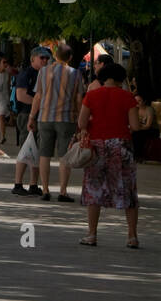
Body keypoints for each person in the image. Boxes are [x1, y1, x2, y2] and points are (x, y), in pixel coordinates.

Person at [77, 62, 140, 247]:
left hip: (97, 146)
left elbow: (81, 122)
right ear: (120, 79)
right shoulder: (128, 97)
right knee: (128, 190)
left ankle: (92, 234)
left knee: (94, 189)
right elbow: (135, 126)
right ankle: (132, 236)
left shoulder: (91, 95)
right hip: (122, 146)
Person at [27, 43, 83, 201]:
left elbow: (38, 96)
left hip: (44, 118)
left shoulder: (43, 72)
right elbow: (79, 99)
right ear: (70, 57)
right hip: (67, 119)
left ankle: (45, 190)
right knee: (65, 156)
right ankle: (63, 191)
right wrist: (80, 120)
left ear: (55, 56)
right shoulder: (75, 74)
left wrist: (32, 116)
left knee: (44, 154)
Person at [12, 47, 51, 196]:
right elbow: (21, 96)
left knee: (37, 152)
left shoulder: (45, 74)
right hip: (26, 115)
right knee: (25, 149)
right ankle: (18, 183)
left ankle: (33, 184)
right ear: (33, 58)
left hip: (39, 116)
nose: (45, 61)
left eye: (47, 58)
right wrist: (40, 106)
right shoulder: (26, 74)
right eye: (42, 58)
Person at [132, 95, 160, 162]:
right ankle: (133, 154)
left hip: (152, 130)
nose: (137, 102)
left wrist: (136, 128)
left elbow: (148, 126)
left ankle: (138, 155)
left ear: (144, 101)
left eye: (139, 101)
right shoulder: (135, 109)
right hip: (140, 129)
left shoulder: (149, 109)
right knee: (133, 133)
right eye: (135, 100)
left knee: (137, 134)